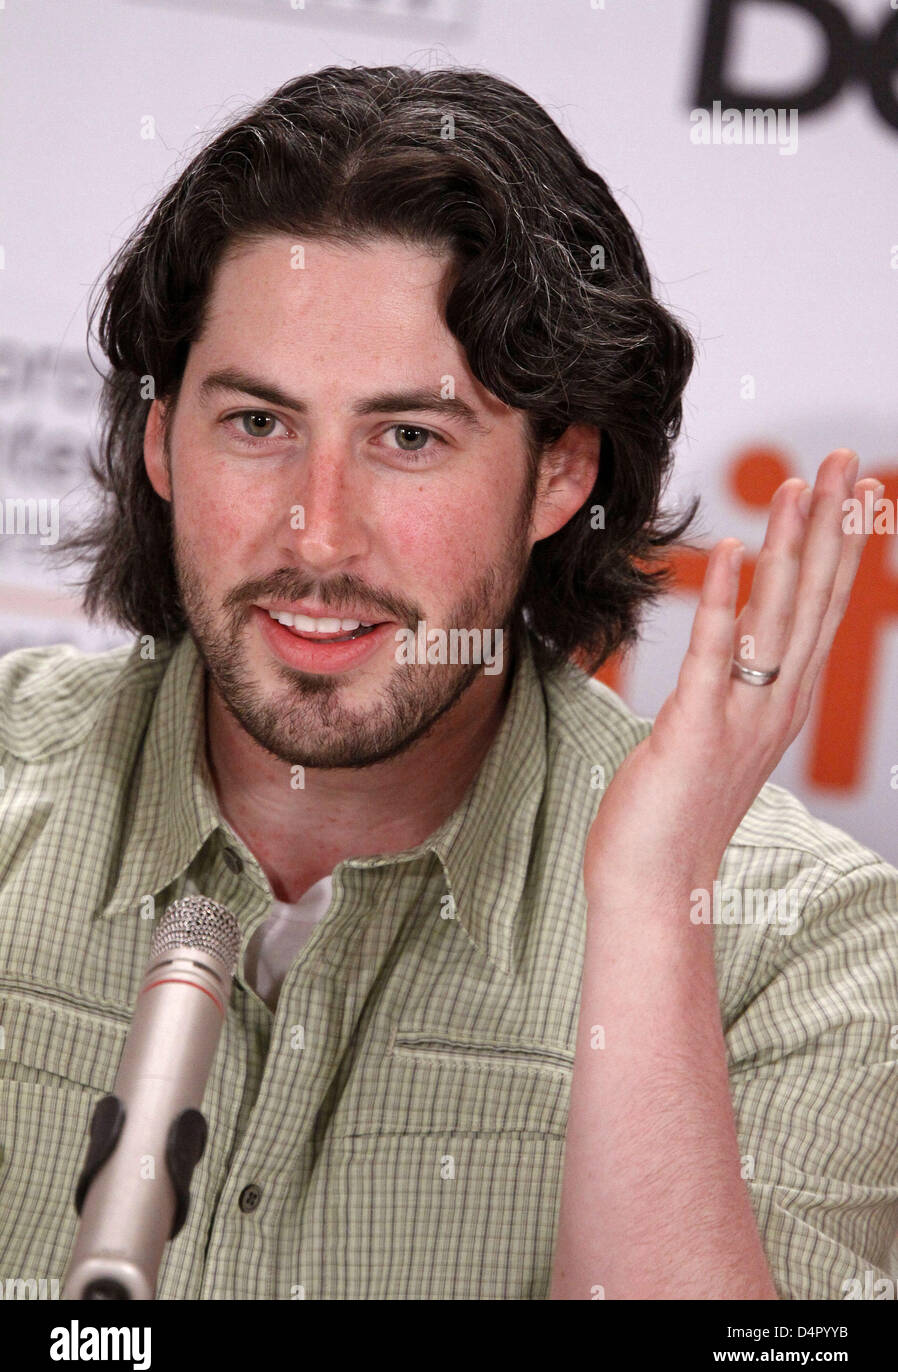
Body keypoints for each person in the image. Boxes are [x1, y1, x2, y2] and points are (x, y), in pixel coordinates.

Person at [0, 65, 895, 1301]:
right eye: (258, 425)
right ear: (159, 440)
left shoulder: (801, 947)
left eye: (408, 439)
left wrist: (648, 901)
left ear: (559, 472)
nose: (317, 536)